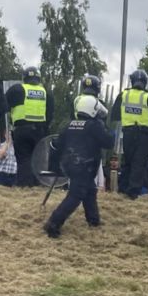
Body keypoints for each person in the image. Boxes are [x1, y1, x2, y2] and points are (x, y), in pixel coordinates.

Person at [43, 94, 111, 238]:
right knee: (75, 195)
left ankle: (93, 221)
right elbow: (108, 143)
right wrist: (105, 126)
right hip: (84, 165)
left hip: (69, 164)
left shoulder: (70, 124)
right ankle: (53, 223)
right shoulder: (94, 126)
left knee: (90, 190)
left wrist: (54, 166)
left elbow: (56, 145)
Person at [111, 69, 148, 199]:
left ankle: (122, 189)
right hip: (143, 135)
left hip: (127, 133)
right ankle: (133, 193)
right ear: (145, 82)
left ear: (132, 81)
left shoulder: (123, 95)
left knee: (127, 162)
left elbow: (114, 115)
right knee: (138, 164)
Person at [6, 65, 53, 187]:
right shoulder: (46, 93)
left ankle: (24, 187)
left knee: (23, 159)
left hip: (21, 130)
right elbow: (50, 114)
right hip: (40, 131)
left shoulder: (17, 89)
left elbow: (5, 105)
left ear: (24, 78)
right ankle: (39, 185)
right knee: (39, 161)